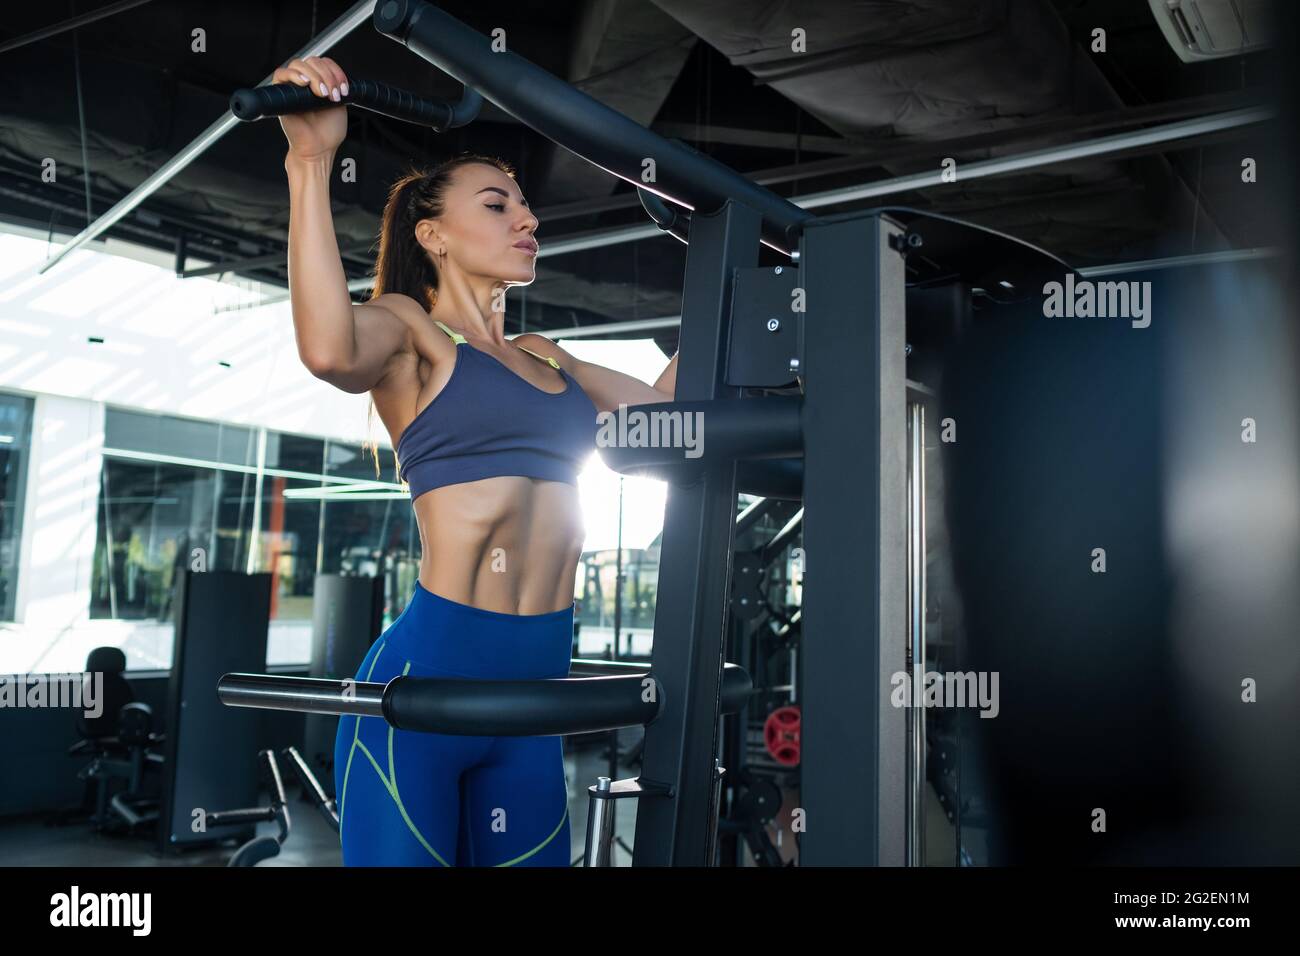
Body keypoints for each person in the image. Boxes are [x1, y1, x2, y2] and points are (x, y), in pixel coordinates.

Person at [275, 56, 678, 866]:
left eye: (527, 207)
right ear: (434, 235)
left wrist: (723, 263)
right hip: (423, 693)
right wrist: (311, 161)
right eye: (497, 205)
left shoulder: (546, 355)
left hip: (531, 704)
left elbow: (673, 420)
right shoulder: (411, 332)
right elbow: (327, 349)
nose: (525, 219)